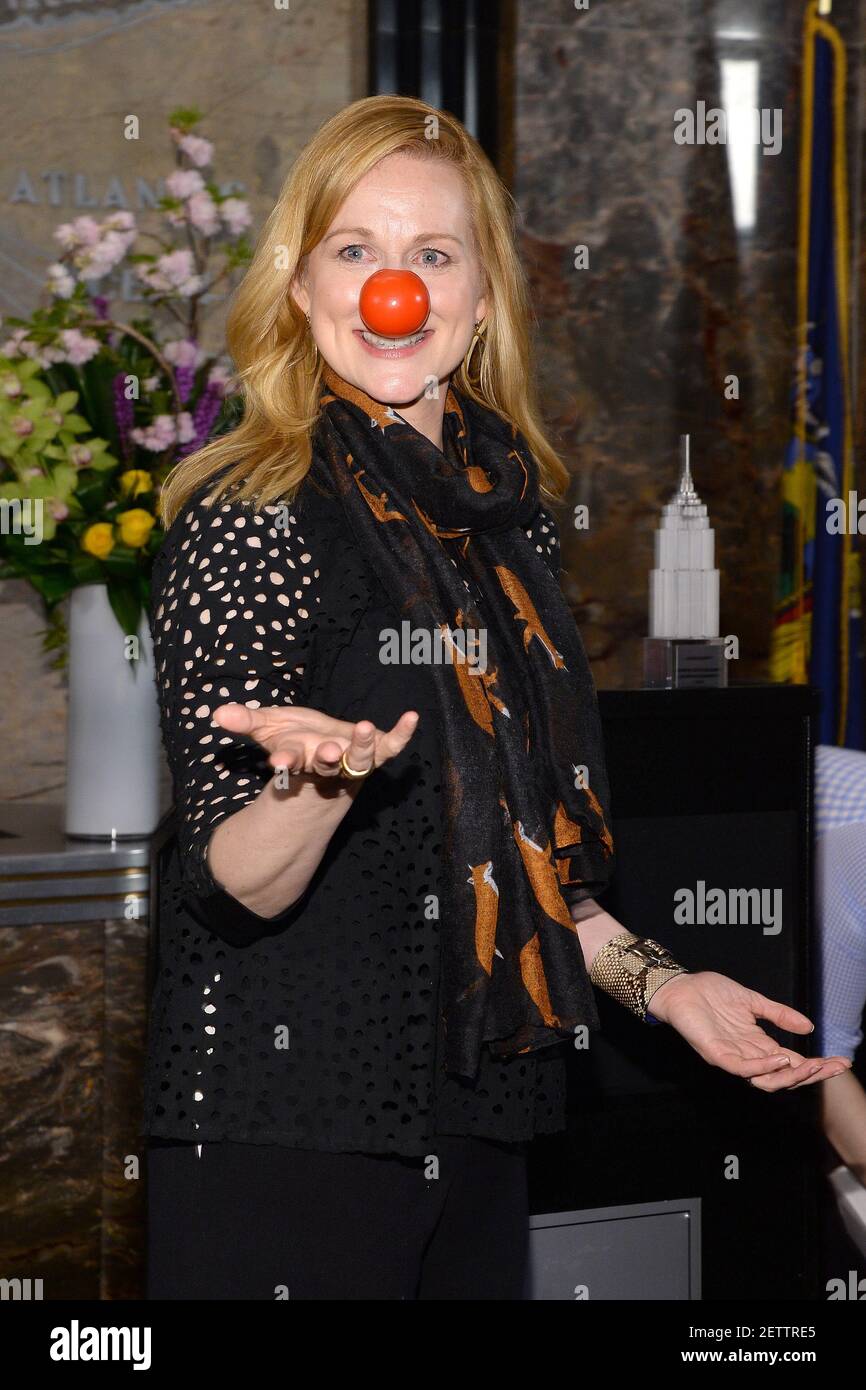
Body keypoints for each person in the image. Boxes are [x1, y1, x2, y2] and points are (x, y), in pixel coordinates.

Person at [143, 94, 851, 1301]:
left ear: (475, 304)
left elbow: (523, 869)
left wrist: (668, 988)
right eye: (353, 250)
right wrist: (310, 786)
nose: (392, 287)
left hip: (478, 1115)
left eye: (431, 254)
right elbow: (230, 878)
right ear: (302, 287)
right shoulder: (252, 510)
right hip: (292, 1135)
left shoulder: (501, 526)